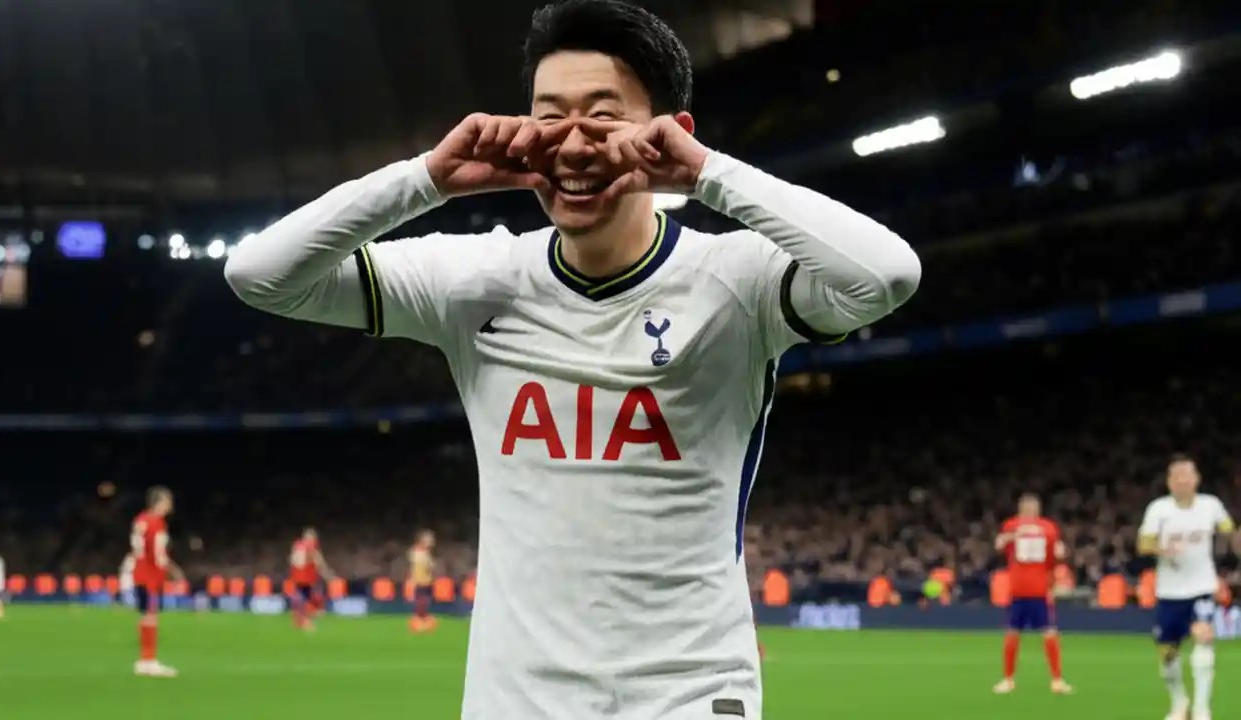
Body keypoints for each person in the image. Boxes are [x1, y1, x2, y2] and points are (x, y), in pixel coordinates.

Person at [223, 0, 919, 715]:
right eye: (550, 115)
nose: (574, 144)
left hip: (686, 697)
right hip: (514, 700)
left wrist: (709, 175)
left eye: (603, 117)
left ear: (669, 133)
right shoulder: (475, 279)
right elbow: (261, 275)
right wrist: (427, 179)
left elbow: (886, 275)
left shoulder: (737, 282)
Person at [1139, 454, 1235, 720]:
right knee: (1168, 654)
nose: (1182, 481)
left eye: (1187, 476)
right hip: (1169, 592)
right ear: (1169, 482)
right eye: (1177, 477)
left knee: (1204, 638)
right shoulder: (1158, 509)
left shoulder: (1210, 505)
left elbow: (1229, 530)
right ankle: (1179, 703)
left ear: (1196, 479)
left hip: (1202, 586)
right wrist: (1162, 548)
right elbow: (1143, 544)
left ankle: (1203, 710)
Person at [992, 493, 1072, 695]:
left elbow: (1057, 554)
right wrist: (1012, 536)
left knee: (1049, 633)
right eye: (1026, 509)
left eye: (1033, 509)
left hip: (1040, 590)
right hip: (1017, 589)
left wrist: (1060, 553)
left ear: (1038, 510)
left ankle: (1057, 680)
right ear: (1020, 510)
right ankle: (1008, 680)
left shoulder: (1048, 528)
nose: (1029, 512)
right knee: (1012, 633)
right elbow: (999, 544)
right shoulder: (1011, 525)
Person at [131, 486, 184, 678]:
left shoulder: (140, 519)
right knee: (151, 616)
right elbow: (158, 553)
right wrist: (172, 570)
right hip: (150, 575)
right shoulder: (156, 523)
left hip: (138, 572)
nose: (170, 505)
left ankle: (145, 660)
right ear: (159, 502)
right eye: (168, 501)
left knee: (145, 615)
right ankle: (148, 661)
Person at [289, 527, 335, 631]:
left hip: (305, 578)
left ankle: (302, 620)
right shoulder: (307, 548)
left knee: (304, 598)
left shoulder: (300, 546)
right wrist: (327, 575)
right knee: (304, 598)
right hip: (304, 578)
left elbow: (294, 560)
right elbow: (317, 562)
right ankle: (304, 621)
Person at [409, 530, 438, 633]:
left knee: (424, 603)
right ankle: (417, 624)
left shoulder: (426, 553)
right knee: (421, 602)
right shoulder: (417, 552)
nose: (431, 541)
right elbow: (420, 567)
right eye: (429, 539)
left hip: (427, 581)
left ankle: (423, 622)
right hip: (421, 581)